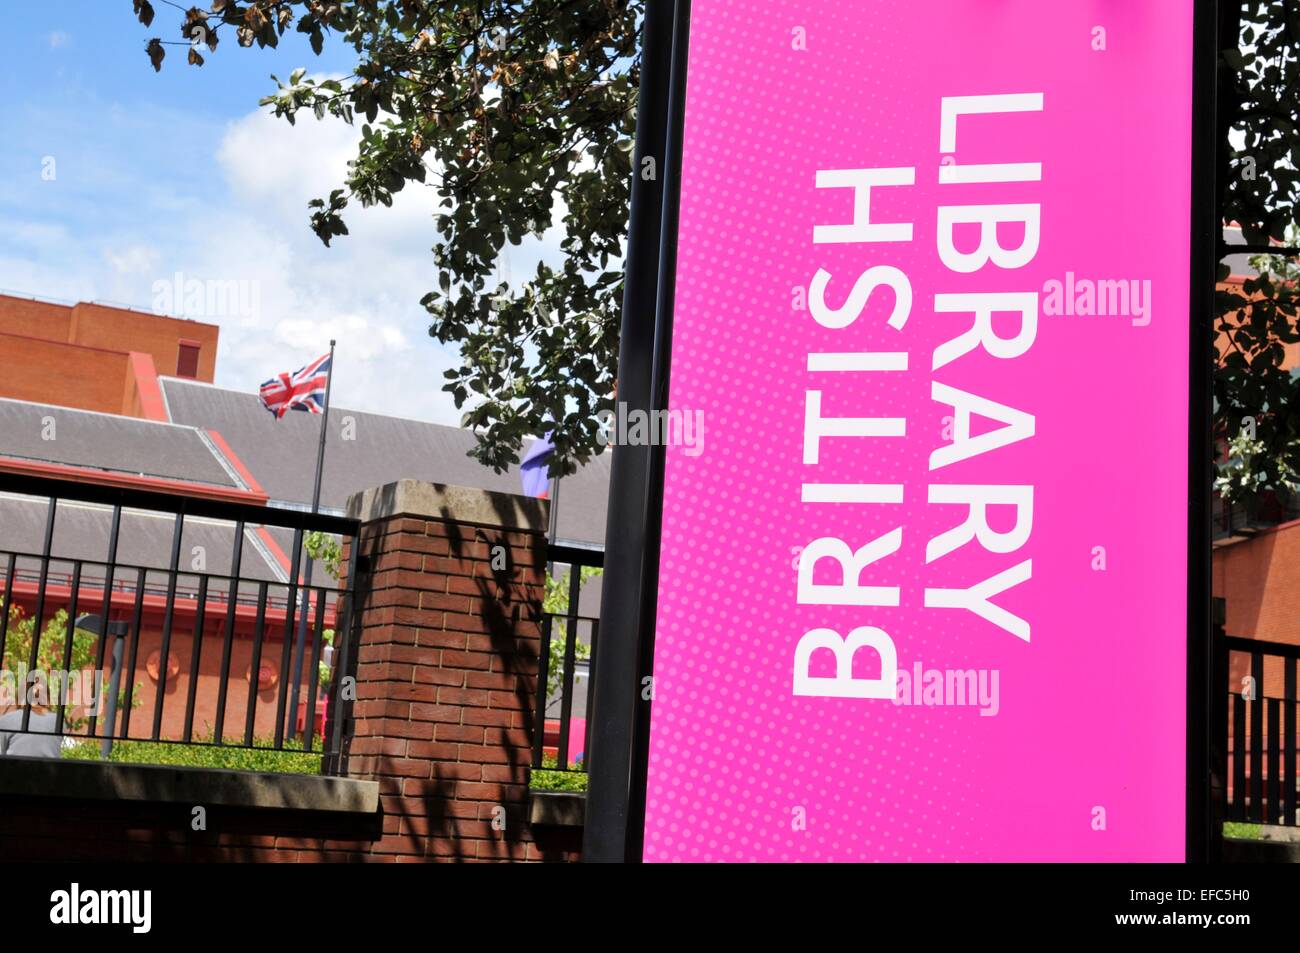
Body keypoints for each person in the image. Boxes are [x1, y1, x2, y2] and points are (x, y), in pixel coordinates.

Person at [0, 676, 63, 758]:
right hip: (51, 769)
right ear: (47, 699)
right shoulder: (58, 721)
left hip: (15, 769)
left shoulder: (7, 720)